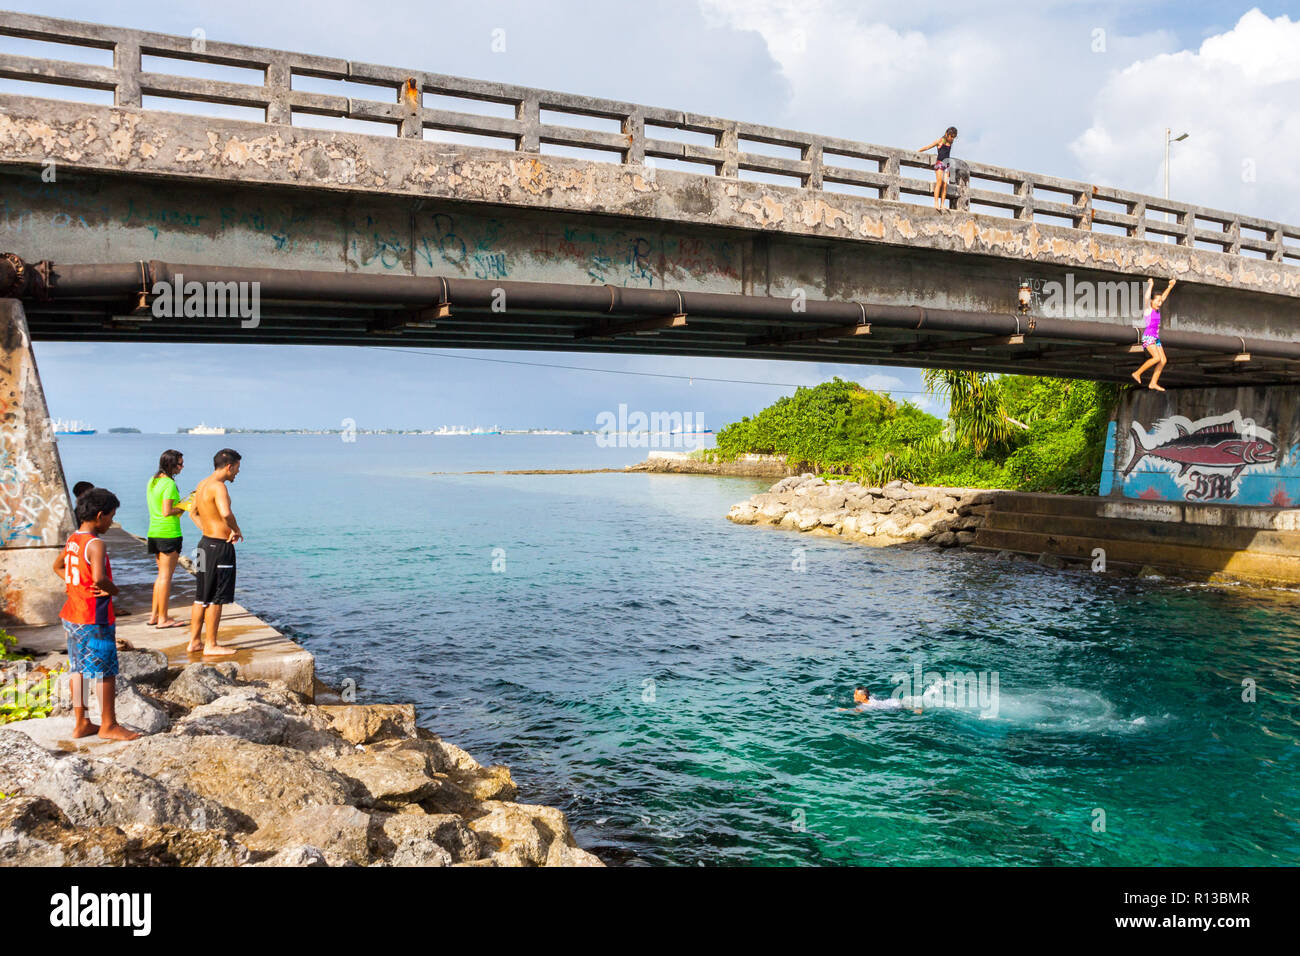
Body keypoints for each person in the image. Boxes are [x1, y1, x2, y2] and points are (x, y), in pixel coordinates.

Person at [51, 488, 140, 741]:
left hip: (72, 614)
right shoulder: (96, 543)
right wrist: (113, 590)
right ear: (100, 515)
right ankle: (109, 725)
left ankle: (81, 722)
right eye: (111, 516)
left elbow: (58, 566)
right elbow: (100, 578)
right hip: (94, 617)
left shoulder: (73, 540)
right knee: (105, 671)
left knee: (78, 669)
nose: (112, 522)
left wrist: (76, 585)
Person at [187, 448, 243, 658]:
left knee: (201, 595)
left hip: (203, 545)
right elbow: (226, 512)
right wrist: (235, 529)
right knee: (217, 597)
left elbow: (192, 512)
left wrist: (207, 529)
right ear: (229, 466)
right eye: (237, 468)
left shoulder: (202, 484)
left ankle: (194, 642)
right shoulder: (218, 487)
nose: (237, 472)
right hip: (218, 548)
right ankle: (211, 644)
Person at [146, 449, 189, 629]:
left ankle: (154, 615)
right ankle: (163, 619)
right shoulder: (169, 484)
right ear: (171, 465)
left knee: (160, 577)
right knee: (166, 578)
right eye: (180, 463)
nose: (182, 466)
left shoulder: (153, 481)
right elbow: (167, 511)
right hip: (168, 533)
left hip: (154, 532)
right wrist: (185, 506)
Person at [1131, 277, 1178, 391]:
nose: (1159, 303)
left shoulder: (1157, 310)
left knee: (1163, 360)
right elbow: (1147, 297)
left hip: (1155, 337)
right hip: (1148, 337)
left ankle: (1153, 383)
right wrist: (1150, 285)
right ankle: (1137, 373)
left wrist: (1170, 286)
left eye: (1160, 301)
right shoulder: (1148, 310)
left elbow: (1164, 297)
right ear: (1152, 301)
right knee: (1156, 358)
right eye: (1157, 301)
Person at [919, 127, 958, 210]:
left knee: (945, 185)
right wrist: (917, 152)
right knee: (939, 182)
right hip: (940, 163)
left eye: (954, 137)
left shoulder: (951, 143)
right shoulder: (940, 141)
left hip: (947, 164)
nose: (952, 139)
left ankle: (942, 204)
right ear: (947, 134)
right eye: (951, 136)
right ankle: (936, 203)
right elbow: (927, 147)